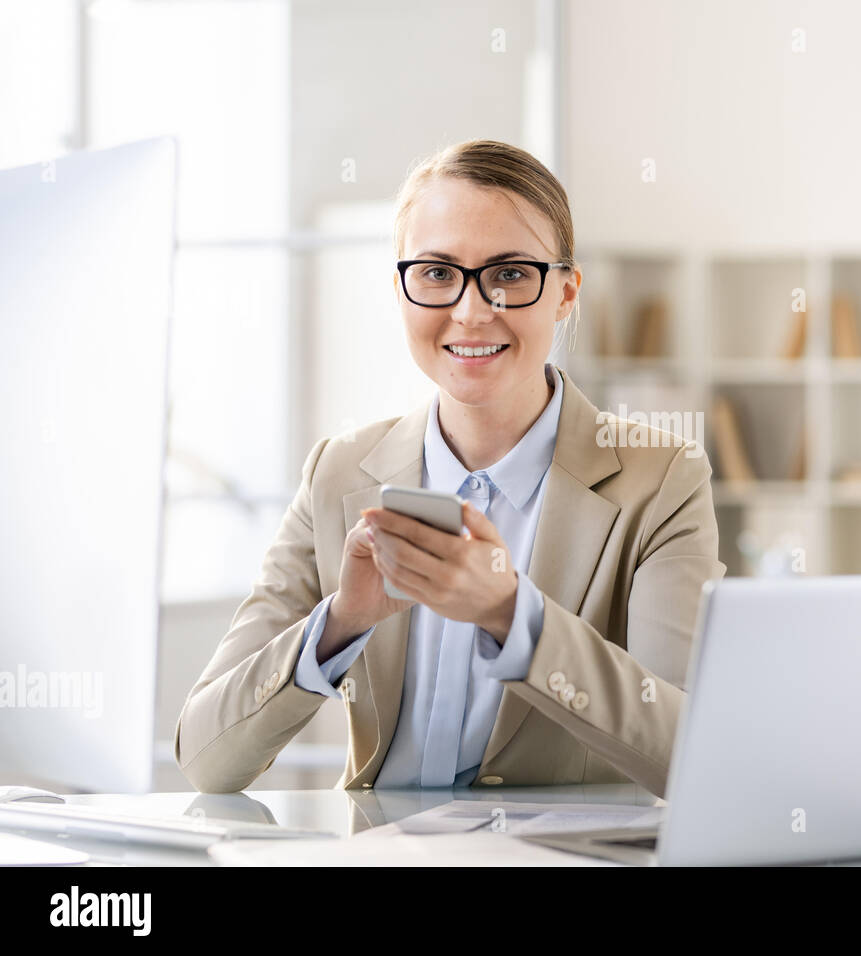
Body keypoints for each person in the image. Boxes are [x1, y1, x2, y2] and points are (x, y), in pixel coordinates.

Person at [173, 139, 726, 797]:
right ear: (401, 290)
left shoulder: (661, 481)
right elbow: (206, 759)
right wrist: (341, 622)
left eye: (510, 273)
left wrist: (512, 616)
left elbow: (692, 753)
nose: (471, 311)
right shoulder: (338, 473)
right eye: (437, 273)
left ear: (566, 292)